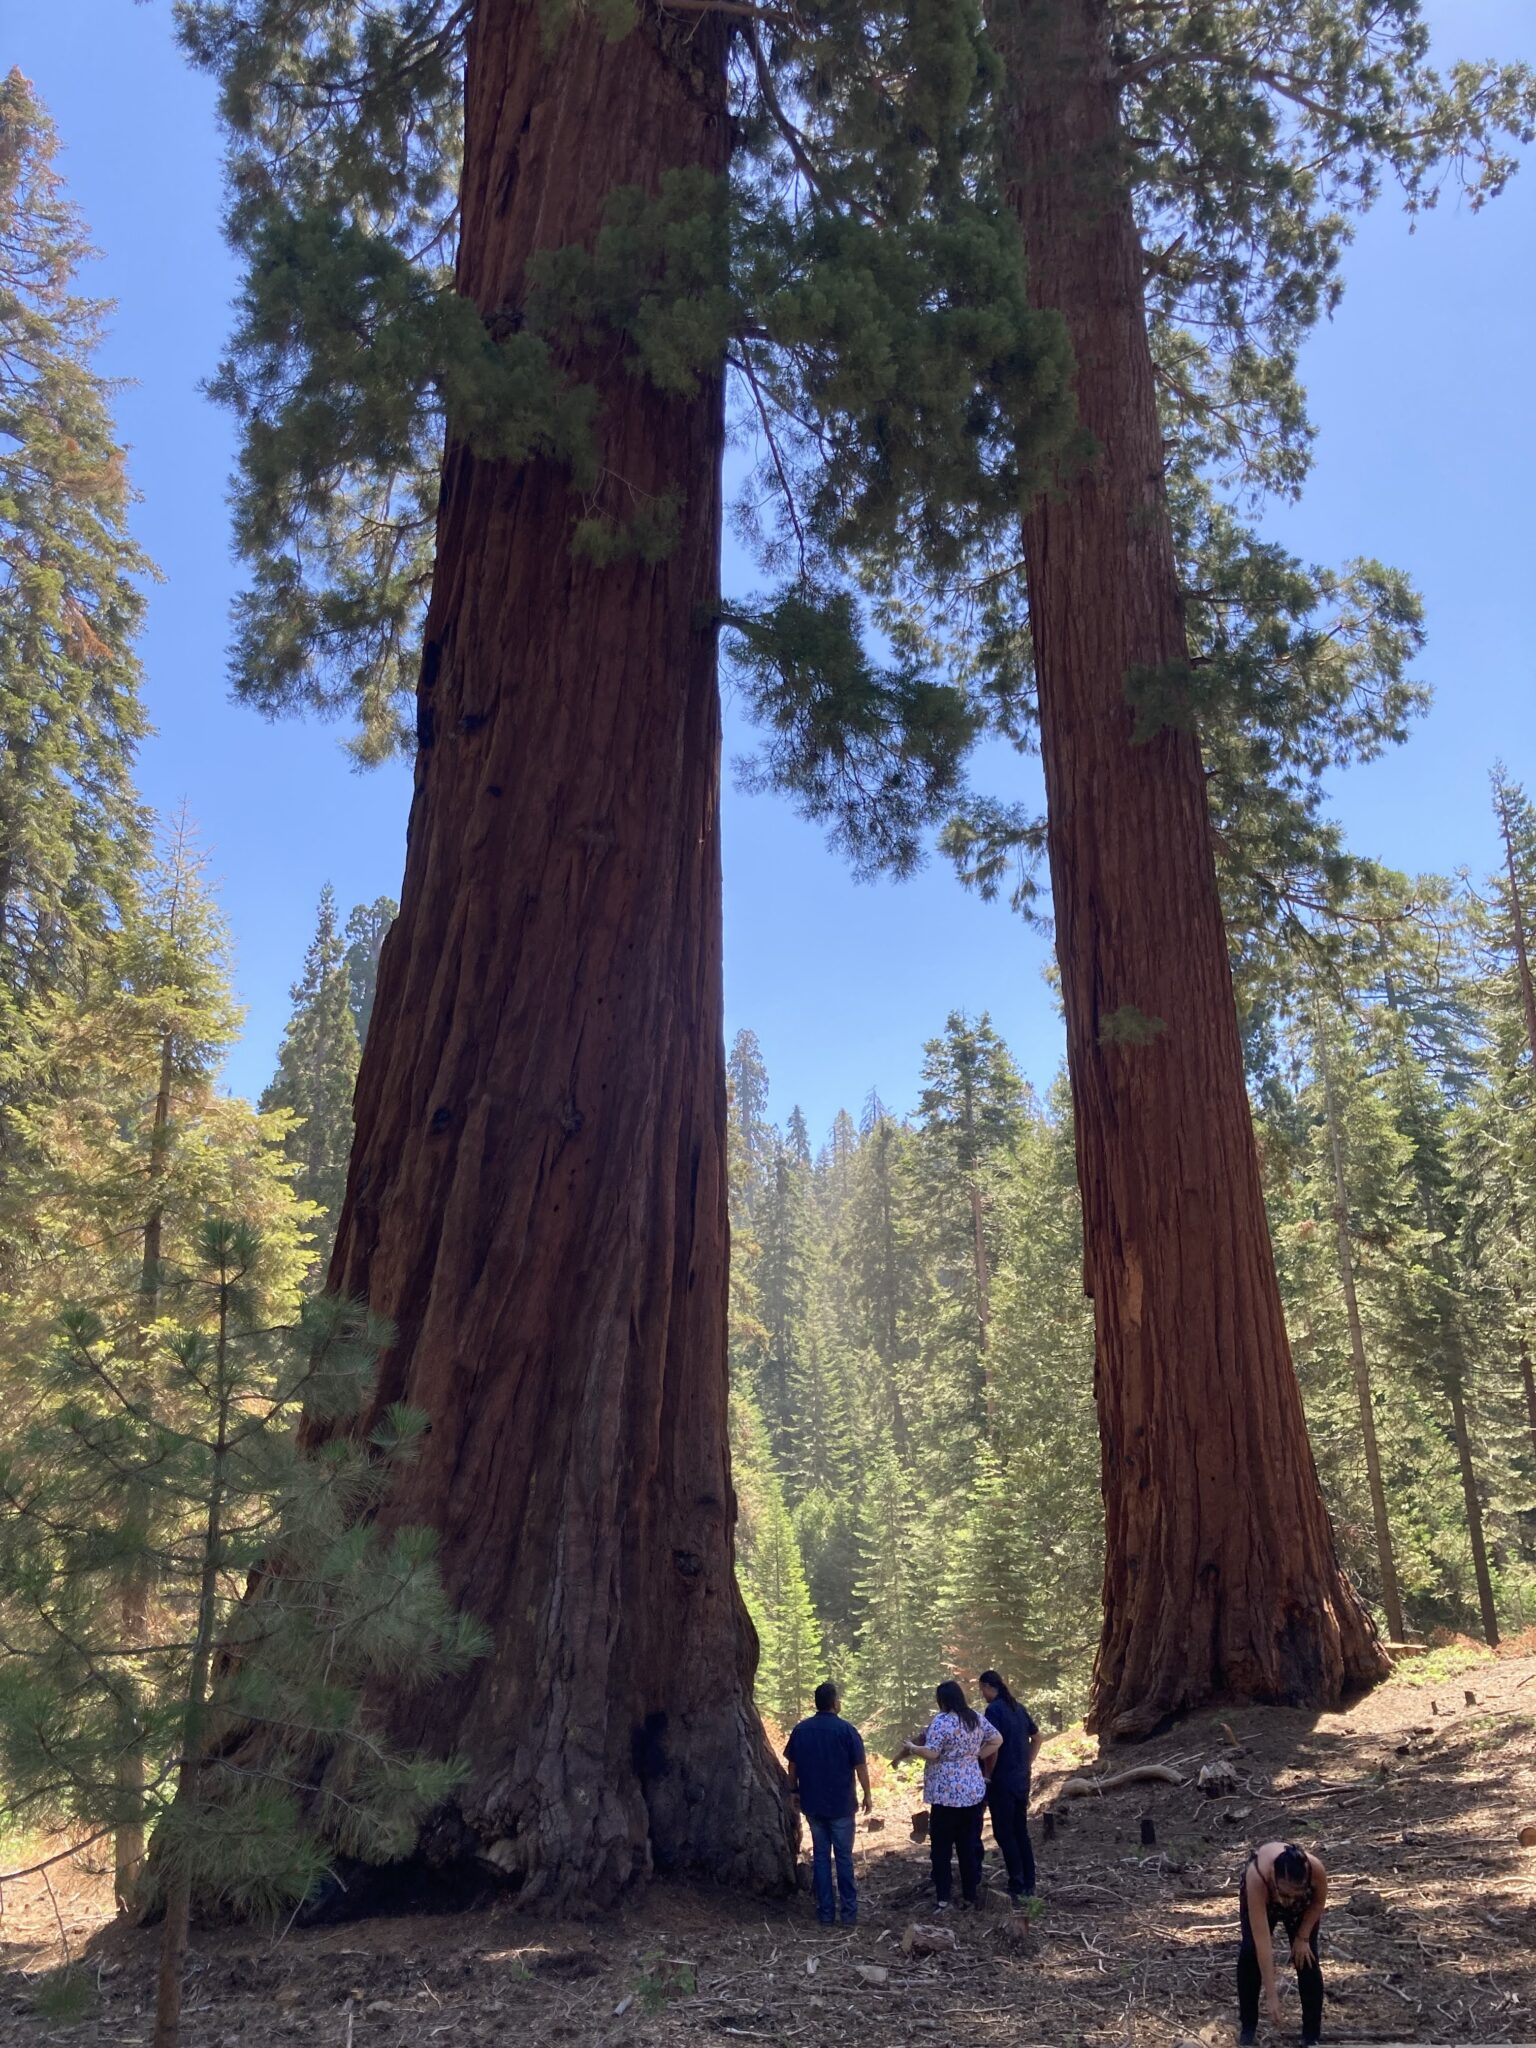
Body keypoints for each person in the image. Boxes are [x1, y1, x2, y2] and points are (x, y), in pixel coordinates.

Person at [894, 1680, 1002, 1909]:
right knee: (968, 1846)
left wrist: (912, 1748)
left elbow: (932, 1753)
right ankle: (970, 1895)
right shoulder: (975, 1718)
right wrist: (977, 1755)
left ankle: (943, 1897)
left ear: (942, 1700)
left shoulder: (942, 1721)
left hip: (945, 1795)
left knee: (941, 1849)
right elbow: (997, 1740)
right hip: (972, 1792)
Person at [784, 1682, 872, 1927]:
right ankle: (849, 1913)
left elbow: (792, 1765)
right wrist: (867, 1794)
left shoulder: (801, 1730)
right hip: (842, 1804)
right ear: (834, 1703)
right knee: (843, 1858)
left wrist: (793, 1790)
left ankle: (825, 1913)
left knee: (821, 1858)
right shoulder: (847, 1730)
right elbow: (860, 1766)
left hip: (812, 1803)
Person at [1238, 1840, 1328, 2046]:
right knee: (1250, 1953)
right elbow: (1263, 1944)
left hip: (1303, 1909)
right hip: (1263, 1899)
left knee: (1307, 1958)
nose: (1287, 1901)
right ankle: (1248, 2027)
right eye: (1284, 1894)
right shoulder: (1258, 1876)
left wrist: (1303, 1937)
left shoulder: (1316, 1870)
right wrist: (1271, 1995)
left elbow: (1318, 1902)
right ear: (1273, 1876)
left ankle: (1311, 2035)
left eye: (1294, 1895)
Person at [978, 1669, 1041, 1904]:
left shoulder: (993, 1711)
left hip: (1002, 1781)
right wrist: (1027, 1762)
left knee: (1005, 1833)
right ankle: (1029, 1881)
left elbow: (993, 1745)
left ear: (987, 1686)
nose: (982, 1694)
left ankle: (1017, 1883)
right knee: (1020, 1830)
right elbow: (1038, 1737)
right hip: (1021, 1779)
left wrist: (987, 1774)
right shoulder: (1018, 1708)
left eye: (982, 1690)